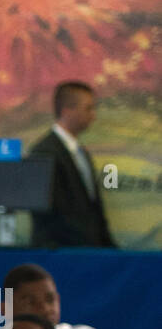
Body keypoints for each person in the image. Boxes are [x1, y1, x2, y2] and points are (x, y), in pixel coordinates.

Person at [28, 81, 115, 249]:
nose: (93, 115)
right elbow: (49, 213)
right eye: (88, 108)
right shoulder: (44, 153)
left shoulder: (82, 153)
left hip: (88, 254)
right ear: (67, 110)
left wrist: (108, 249)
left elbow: (93, 210)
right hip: (60, 255)